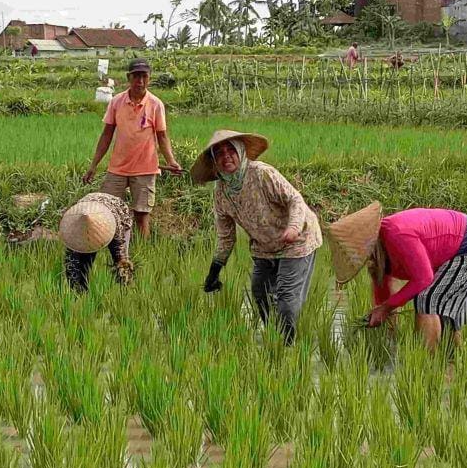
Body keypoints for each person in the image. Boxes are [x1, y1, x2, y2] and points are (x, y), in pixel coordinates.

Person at [194, 130, 322, 345]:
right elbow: (226, 236)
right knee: (260, 293)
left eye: (231, 150)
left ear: (241, 152)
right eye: (220, 153)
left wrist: (293, 228)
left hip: (297, 241)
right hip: (264, 246)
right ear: (215, 162)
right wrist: (214, 271)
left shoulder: (262, 174)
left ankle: (287, 348)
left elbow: (295, 200)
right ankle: (274, 338)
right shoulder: (221, 192)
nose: (226, 157)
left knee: (286, 300)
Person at [324, 203, 467, 350]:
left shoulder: (397, 235)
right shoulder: (379, 257)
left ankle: (429, 365)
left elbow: (423, 278)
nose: (365, 260)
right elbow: (384, 295)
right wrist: (387, 327)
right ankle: (452, 362)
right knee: (441, 303)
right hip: (451, 250)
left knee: (427, 299)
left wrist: (385, 308)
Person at [83, 58, 182, 237]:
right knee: (110, 211)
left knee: (142, 215)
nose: (140, 81)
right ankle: (115, 252)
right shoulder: (116, 102)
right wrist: (93, 165)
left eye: (144, 77)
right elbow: (106, 135)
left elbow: (162, 136)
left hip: (145, 169)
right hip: (118, 168)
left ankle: (141, 254)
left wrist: (171, 161)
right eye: (136, 76)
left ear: (149, 78)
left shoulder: (155, 104)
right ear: (129, 77)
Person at [59, 192, 134, 293]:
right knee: (76, 263)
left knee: (121, 263)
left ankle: (125, 292)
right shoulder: (73, 225)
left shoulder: (115, 226)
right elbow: (71, 264)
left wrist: (124, 276)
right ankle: (79, 293)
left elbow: (122, 260)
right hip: (86, 209)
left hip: (116, 210)